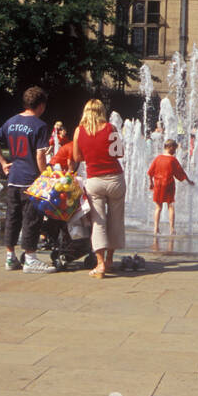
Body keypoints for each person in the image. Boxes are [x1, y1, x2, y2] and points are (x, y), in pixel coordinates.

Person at [0, 88, 51, 272]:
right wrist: (47, 176)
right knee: (31, 219)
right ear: (41, 106)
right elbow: (40, 156)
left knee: (12, 218)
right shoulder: (40, 125)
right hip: (31, 179)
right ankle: (30, 258)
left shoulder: (11, 121)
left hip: (14, 178)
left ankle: (10, 257)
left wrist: (2, 162)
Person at [73, 98, 127, 278]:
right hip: (115, 179)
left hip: (94, 180)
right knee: (115, 220)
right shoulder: (111, 128)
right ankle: (110, 260)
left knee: (98, 222)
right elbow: (119, 152)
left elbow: (77, 156)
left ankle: (100, 264)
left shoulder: (79, 131)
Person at [148, 139, 191, 234]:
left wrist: (151, 183)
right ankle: (172, 229)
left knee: (158, 207)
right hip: (168, 184)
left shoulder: (158, 158)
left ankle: (156, 228)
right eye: (174, 149)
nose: (175, 152)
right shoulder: (173, 160)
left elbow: (150, 172)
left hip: (158, 184)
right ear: (170, 148)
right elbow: (181, 173)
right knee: (170, 206)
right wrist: (189, 181)